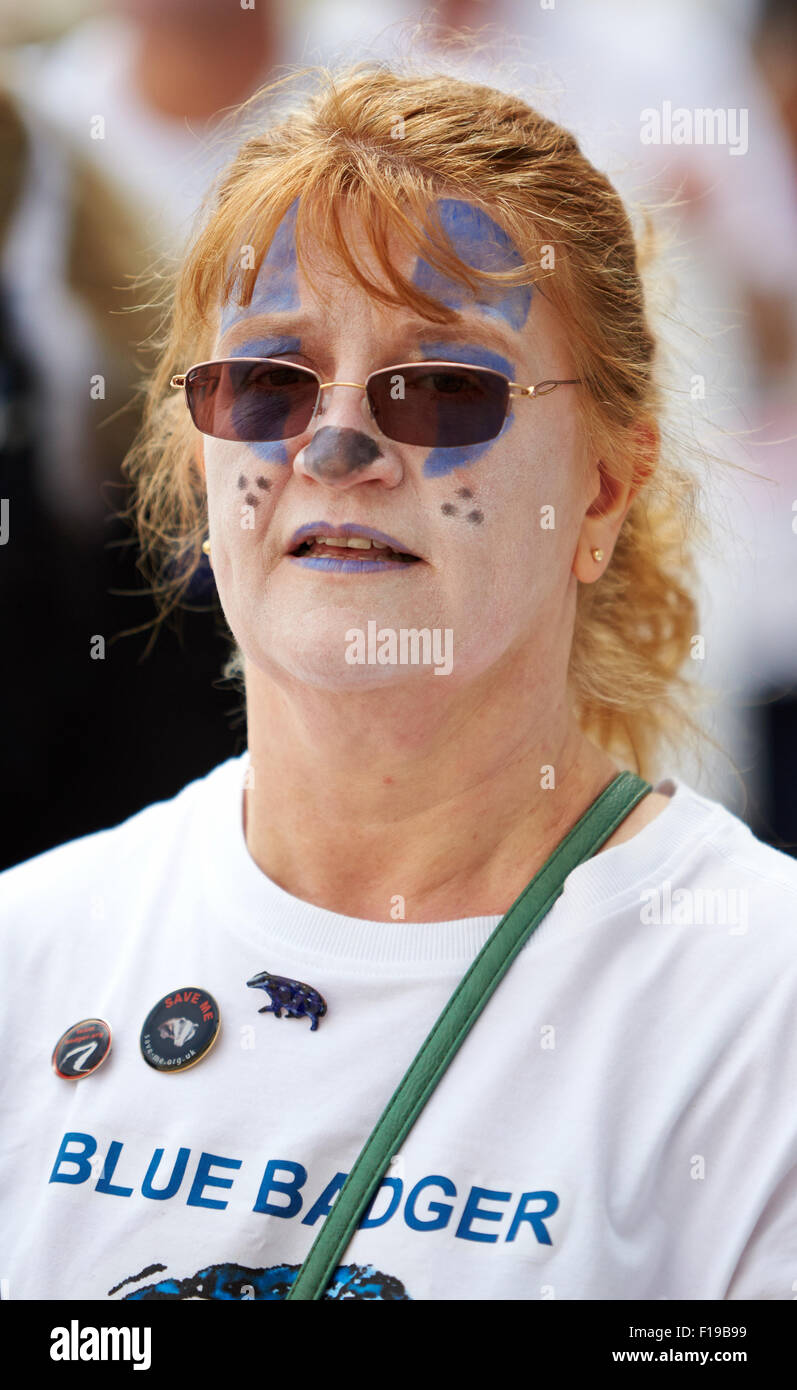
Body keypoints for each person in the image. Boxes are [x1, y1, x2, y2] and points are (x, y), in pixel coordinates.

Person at [1, 62, 796, 1303]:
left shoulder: (756, 1009)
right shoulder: (28, 959)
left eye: (440, 387)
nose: (334, 444)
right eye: (267, 380)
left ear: (602, 487)